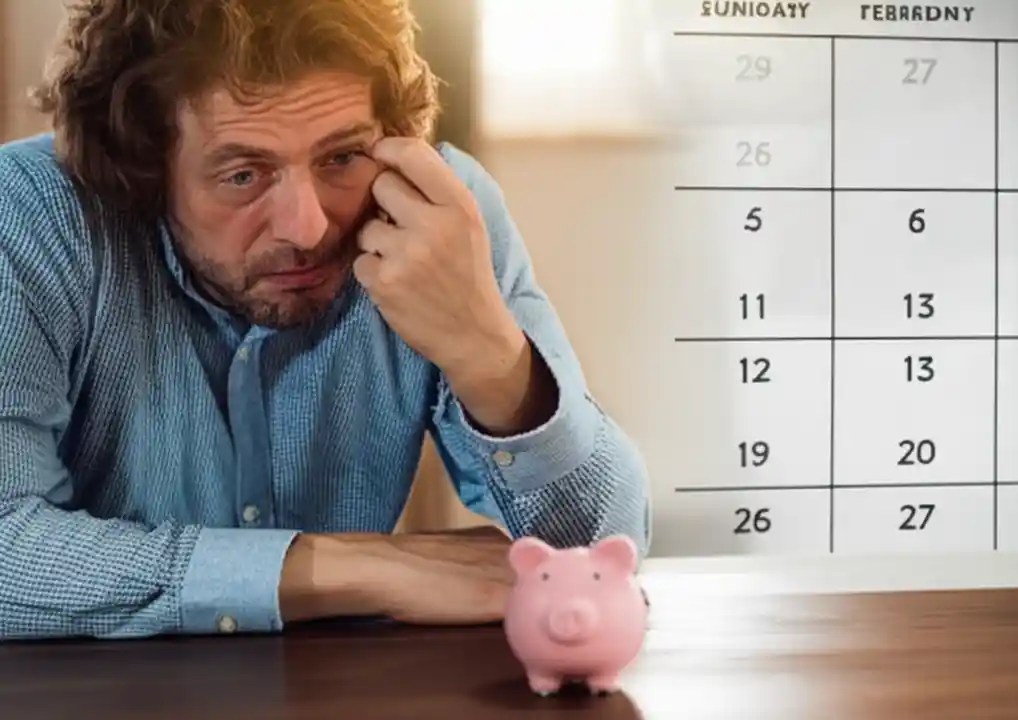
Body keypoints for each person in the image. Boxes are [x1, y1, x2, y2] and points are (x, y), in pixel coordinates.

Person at [0, 0, 650, 641]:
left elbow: (601, 555)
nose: (307, 228)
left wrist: (488, 352)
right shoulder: (30, 217)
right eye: (243, 174)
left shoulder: (434, 215)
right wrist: (360, 567)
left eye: (341, 159)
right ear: (141, 170)